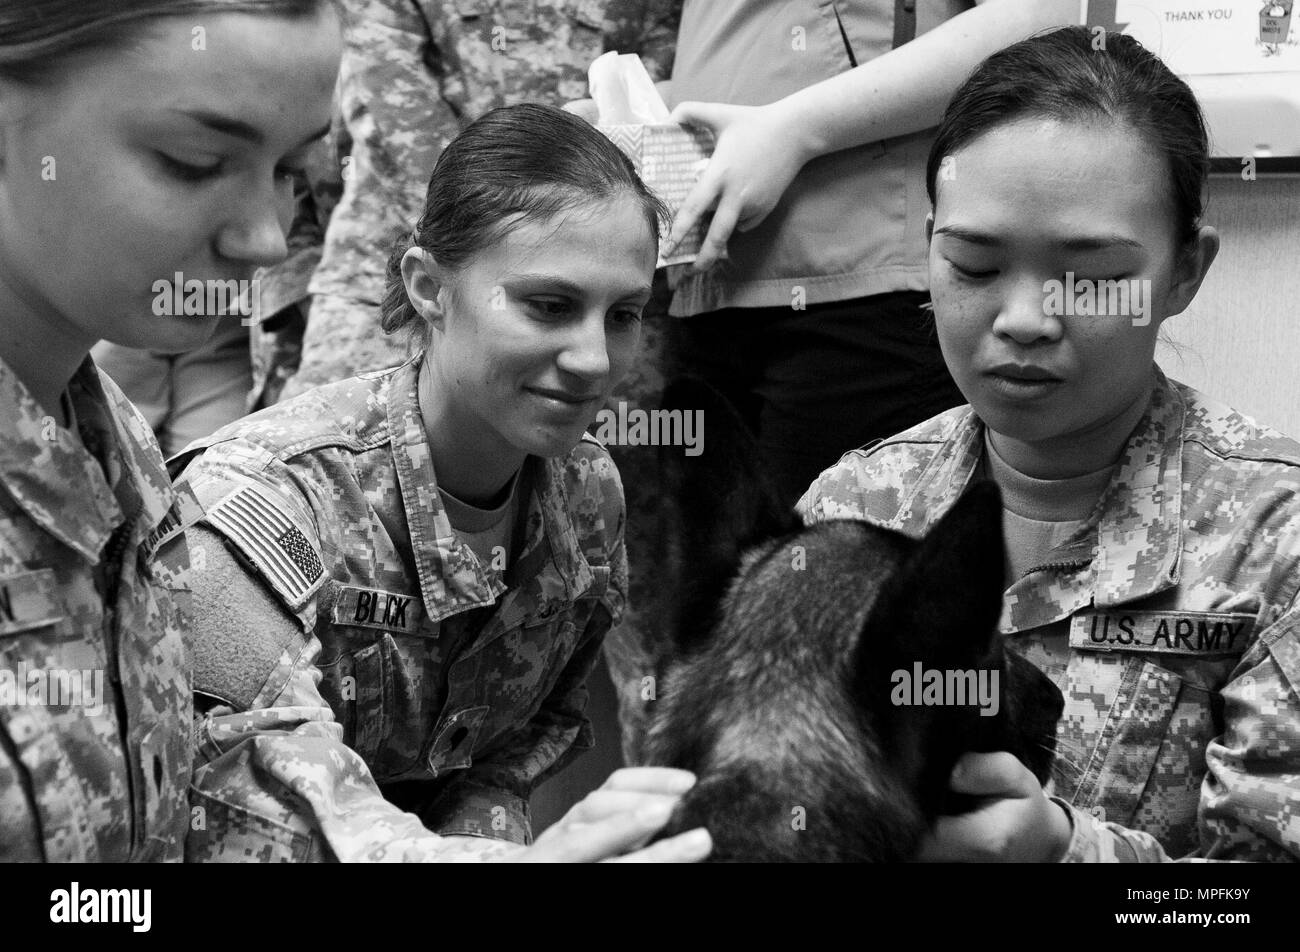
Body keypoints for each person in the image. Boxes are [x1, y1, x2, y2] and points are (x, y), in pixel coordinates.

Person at [799, 26, 1300, 861]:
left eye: (1094, 275)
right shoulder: (849, 512)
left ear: (1183, 274)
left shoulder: (1273, 540)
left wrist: (1067, 853)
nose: (1025, 319)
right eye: (974, 264)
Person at [171, 103, 713, 862]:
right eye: (549, 306)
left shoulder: (588, 495)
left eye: (623, 315)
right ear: (428, 287)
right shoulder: (265, 501)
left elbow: (509, 749)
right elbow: (243, 782)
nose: (594, 358)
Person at [0, 0, 343, 861]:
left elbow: (197, 762)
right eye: (196, 163)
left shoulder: (107, 443)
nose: (266, 238)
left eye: (294, 172)